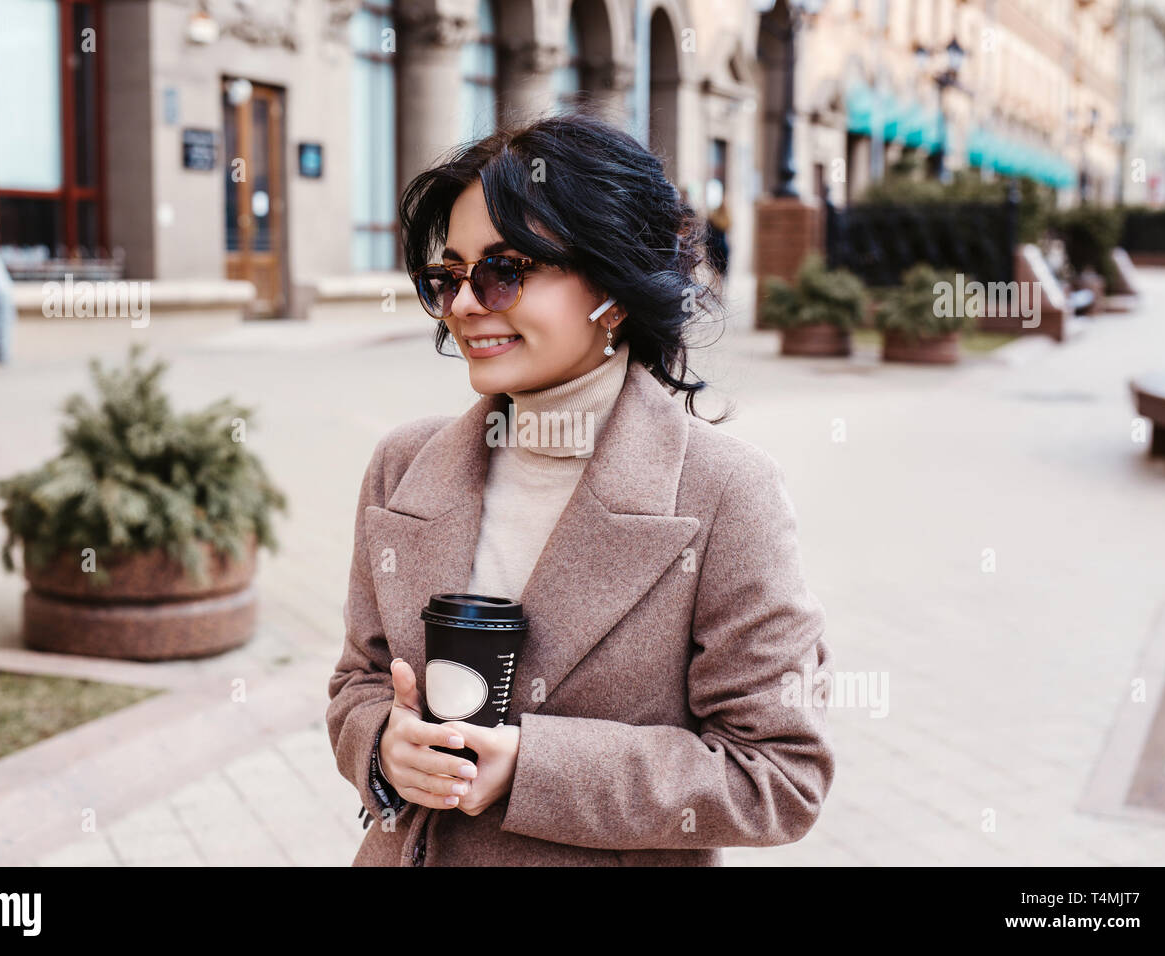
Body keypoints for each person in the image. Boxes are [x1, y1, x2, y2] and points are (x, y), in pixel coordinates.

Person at [326, 111, 835, 866]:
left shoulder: (727, 494)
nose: (466, 305)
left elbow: (778, 777)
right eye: (450, 276)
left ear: (615, 289)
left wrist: (532, 767)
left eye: (504, 272)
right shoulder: (404, 464)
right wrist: (381, 745)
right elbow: (359, 682)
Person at [704, 200, 731, 284]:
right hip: (722, 247)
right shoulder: (726, 219)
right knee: (722, 273)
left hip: (713, 247)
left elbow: (707, 236)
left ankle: (716, 289)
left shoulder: (711, 219)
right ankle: (720, 290)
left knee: (715, 272)